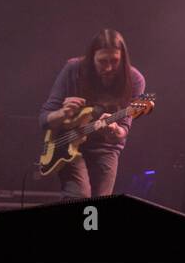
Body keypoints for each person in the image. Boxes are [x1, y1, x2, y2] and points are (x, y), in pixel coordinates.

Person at [38, 28, 146, 198]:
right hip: (68, 142)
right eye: (102, 61)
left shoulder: (134, 80)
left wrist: (115, 130)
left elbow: (123, 129)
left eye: (115, 61)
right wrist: (63, 113)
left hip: (106, 148)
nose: (109, 67)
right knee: (79, 195)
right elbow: (44, 119)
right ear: (91, 58)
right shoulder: (73, 69)